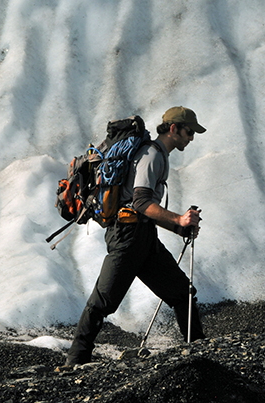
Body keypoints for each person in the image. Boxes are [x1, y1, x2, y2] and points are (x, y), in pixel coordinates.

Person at [66, 106, 207, 366]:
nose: (192, 137)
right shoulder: (152, 155)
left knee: (182, 293)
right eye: (189, 132)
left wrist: (180, 228)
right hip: (127, 237)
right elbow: (141, 203)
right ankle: (75, 361)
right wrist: (178, 219)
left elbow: (142, 208)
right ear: (174, 129)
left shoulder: (156, 155)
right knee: (103, 301)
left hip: (142, 237)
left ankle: (199, 352)